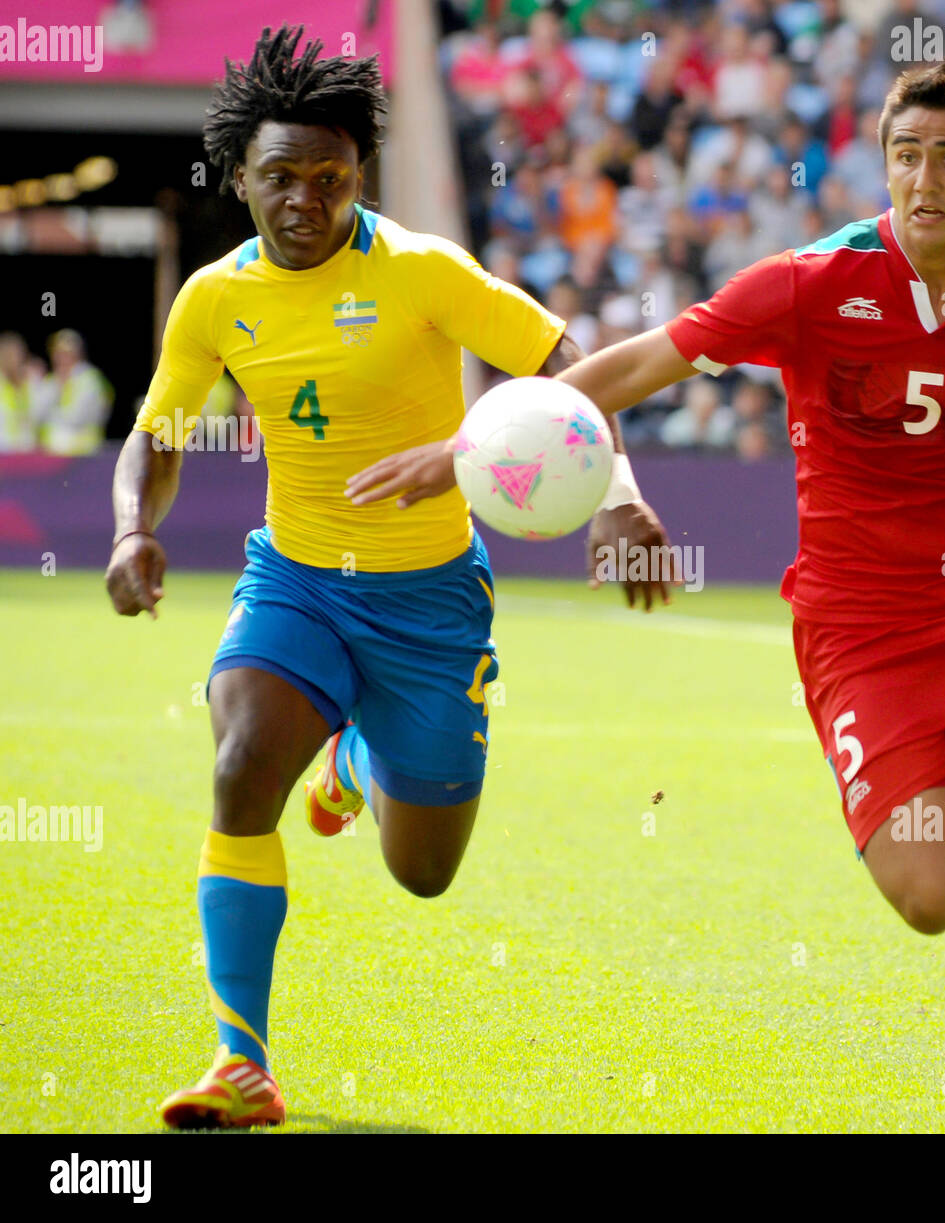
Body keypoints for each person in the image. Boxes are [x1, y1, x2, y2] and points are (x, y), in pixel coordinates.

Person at [105, 25, 671, 1130]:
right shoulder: (215, 299)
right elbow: (159, 430)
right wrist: (133, 529)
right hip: (298, 582)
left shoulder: (420, 268)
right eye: (282, 178)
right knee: (239, 764)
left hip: (429, 604)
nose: (307, 199)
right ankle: (241, 1062)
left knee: (422, 874)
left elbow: (563, 368)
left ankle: (356, 755)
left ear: (359, 174)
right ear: (241, 180)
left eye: (332, 177)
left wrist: (615, 491)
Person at [564, 62, 945, 1134]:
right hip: (862, 630)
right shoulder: (807, 282)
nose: (925, 178)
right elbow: (641, 363)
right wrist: (479, 436)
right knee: (934, 898)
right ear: (884, 166)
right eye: (906, 155)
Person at [32, 329, 113, 454]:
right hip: (52, 454)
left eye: (66, 354)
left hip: (84, 453)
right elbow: (36, 414)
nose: (61, 359)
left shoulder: (90, 380)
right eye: (58, 353)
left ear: (78, 355)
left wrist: (52, 416)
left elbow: (77, 417)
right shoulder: (51, 381)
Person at [0, 332, 38, 451]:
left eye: (20, 354)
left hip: (26, 449)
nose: (16, 359)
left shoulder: (29, 382)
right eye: (11, 355)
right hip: (4, 450)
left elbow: (37, 414)